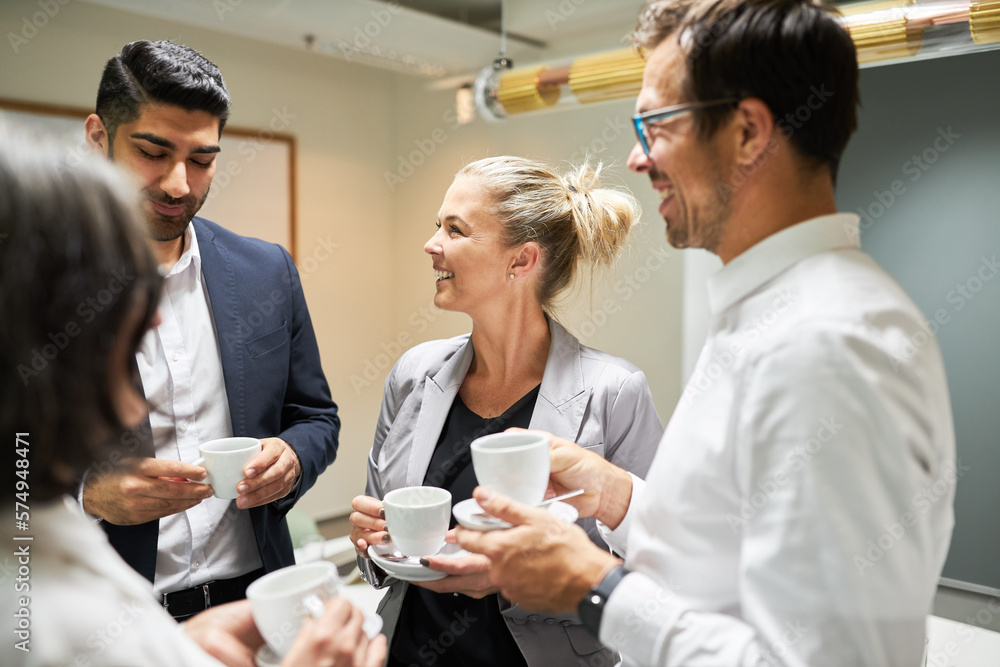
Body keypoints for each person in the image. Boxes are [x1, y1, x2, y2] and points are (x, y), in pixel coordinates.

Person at [455, 1, 956, 665]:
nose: (637, 158)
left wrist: (594, 587)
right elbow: (728, 555)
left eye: (654, 124)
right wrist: (619, 496)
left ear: (748, 132)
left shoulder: (823, 344)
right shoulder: (769, 314)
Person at [0, 127, 385, 667]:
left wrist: (189, 650)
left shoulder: (38, 526)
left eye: (202, 158)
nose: (153, 317)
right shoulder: (37, 610)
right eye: (108, 287)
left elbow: (315, 416)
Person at [349, 156, 665, 666]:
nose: (432, 245)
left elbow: (657, 570)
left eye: (455, 229)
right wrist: (372, 548)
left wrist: (512, 576)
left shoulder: (615, 392)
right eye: (438, 226)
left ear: (521, 261)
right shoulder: (413, 375)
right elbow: (382, 551)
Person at [78, 40, 340, 619]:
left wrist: (293, 458)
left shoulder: (266, 270)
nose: (178, 184)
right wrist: (84, 493)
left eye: (201, 160)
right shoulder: (30, 279)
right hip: (105, 619)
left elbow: (316, 418)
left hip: (257, 603)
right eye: (153, 152)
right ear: (99, 137)